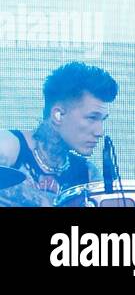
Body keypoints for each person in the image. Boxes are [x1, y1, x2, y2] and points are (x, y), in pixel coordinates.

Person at [0, 62, 117, 207]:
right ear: (58, 115)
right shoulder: (9, 147)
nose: (100, 132)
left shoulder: (88, 174)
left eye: (102, 120)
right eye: (92, 118)